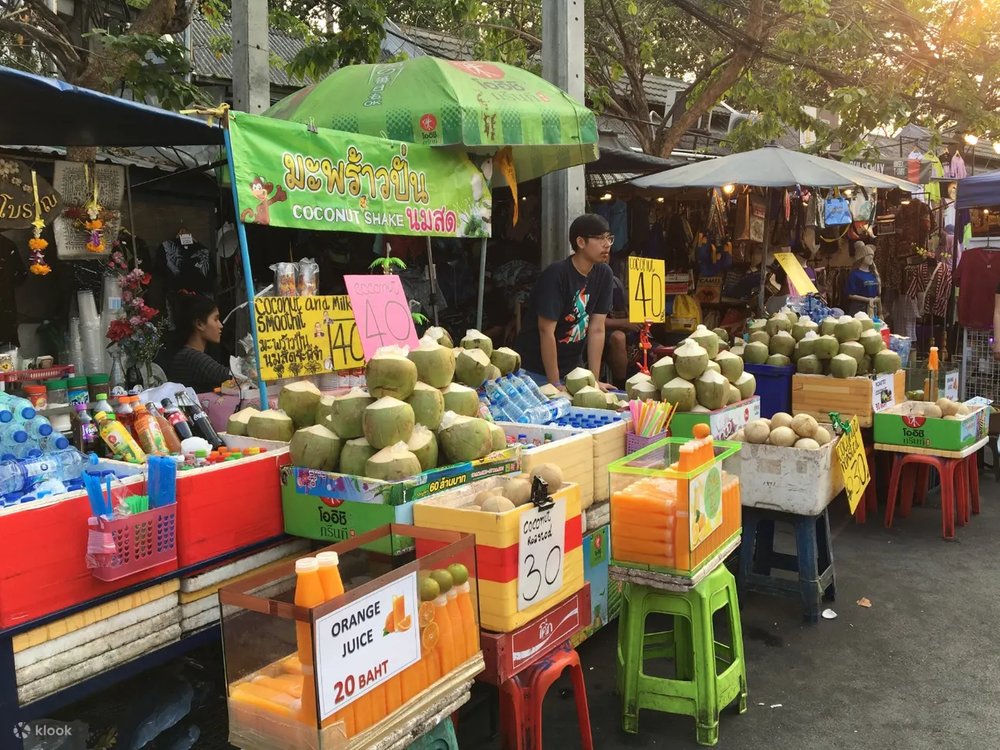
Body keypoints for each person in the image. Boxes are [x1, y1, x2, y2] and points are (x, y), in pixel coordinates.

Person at [516, 214, 615, 389]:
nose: (606, 244)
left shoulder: (604, 274)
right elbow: (546, 330)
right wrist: (554, 383)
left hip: (573, 370)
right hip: (535, 371)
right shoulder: (556, 274)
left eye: (609, 238)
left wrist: (594, 381)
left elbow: (597, 328)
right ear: (581, 242)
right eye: (600, 239)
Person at [166, 293, 231, 393]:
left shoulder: (186, 354)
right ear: (199, 324)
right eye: (215, 319)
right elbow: (230, 375)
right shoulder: (190, 356)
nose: (220, 325)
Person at [844, 242, 881, 316]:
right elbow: (850, 295)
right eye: (868, 255)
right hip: (859, 309)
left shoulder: (874, 274)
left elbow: (878, 295)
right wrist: (868, 300)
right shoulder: (854, 274)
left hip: (873, 308)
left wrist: (880, 312)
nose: (871, 257)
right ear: (861, 257)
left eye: (872, 255)